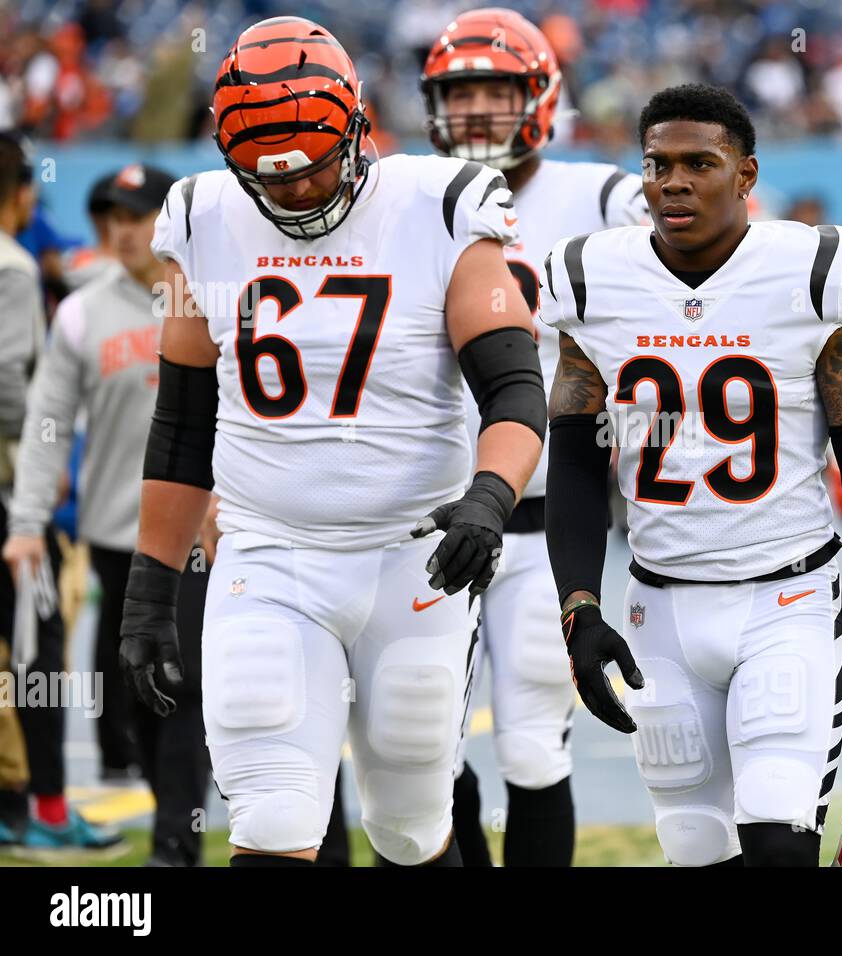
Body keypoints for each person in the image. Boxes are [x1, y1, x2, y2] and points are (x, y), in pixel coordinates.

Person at [119, 16, 545, 867]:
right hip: (267, 554)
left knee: (411, 828)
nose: (298, 193)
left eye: (314, 168)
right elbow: (184, 421)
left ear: (356, 125)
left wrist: (489, 498)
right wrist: (148, 590)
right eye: (271, 178)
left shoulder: (441, 205)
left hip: (412, 556)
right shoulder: (202, 216)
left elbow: (514, 388)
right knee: (272, 822)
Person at [543, 83, 842, 867]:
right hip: (657, 609)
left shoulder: (813, 271)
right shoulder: (591, 277)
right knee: (699, 851)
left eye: (700, 163)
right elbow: (572, 457)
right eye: (657, 164)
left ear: (746, 175)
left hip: (786, 600)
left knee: (776, 836)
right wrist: (579, 609)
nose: (674, 181)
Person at [420, 6, 647, 868]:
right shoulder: (413, 195)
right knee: (423, 749)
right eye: (460, 91)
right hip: (442, 512)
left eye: (494, 88)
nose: (476, 109)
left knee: (530, 748)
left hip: (548, 520)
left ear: (540, 95)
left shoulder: (599, 196)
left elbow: (712, 230)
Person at [2, 163, 219, 865]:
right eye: (109, 219)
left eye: (135, 216)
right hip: (113, 537)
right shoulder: (79, 313)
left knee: (181, 686)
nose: (121, 232)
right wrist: (28, 525)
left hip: (202, 537)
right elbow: (47, 425)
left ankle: (175, 843)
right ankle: (172, 814)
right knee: (133, 697)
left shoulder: (217, 297)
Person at [0, 128, 122, 855]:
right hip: (12, 490)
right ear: (19, 193)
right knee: (38, 650)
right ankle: (45, 808)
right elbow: (13, 392)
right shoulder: (12, 268)